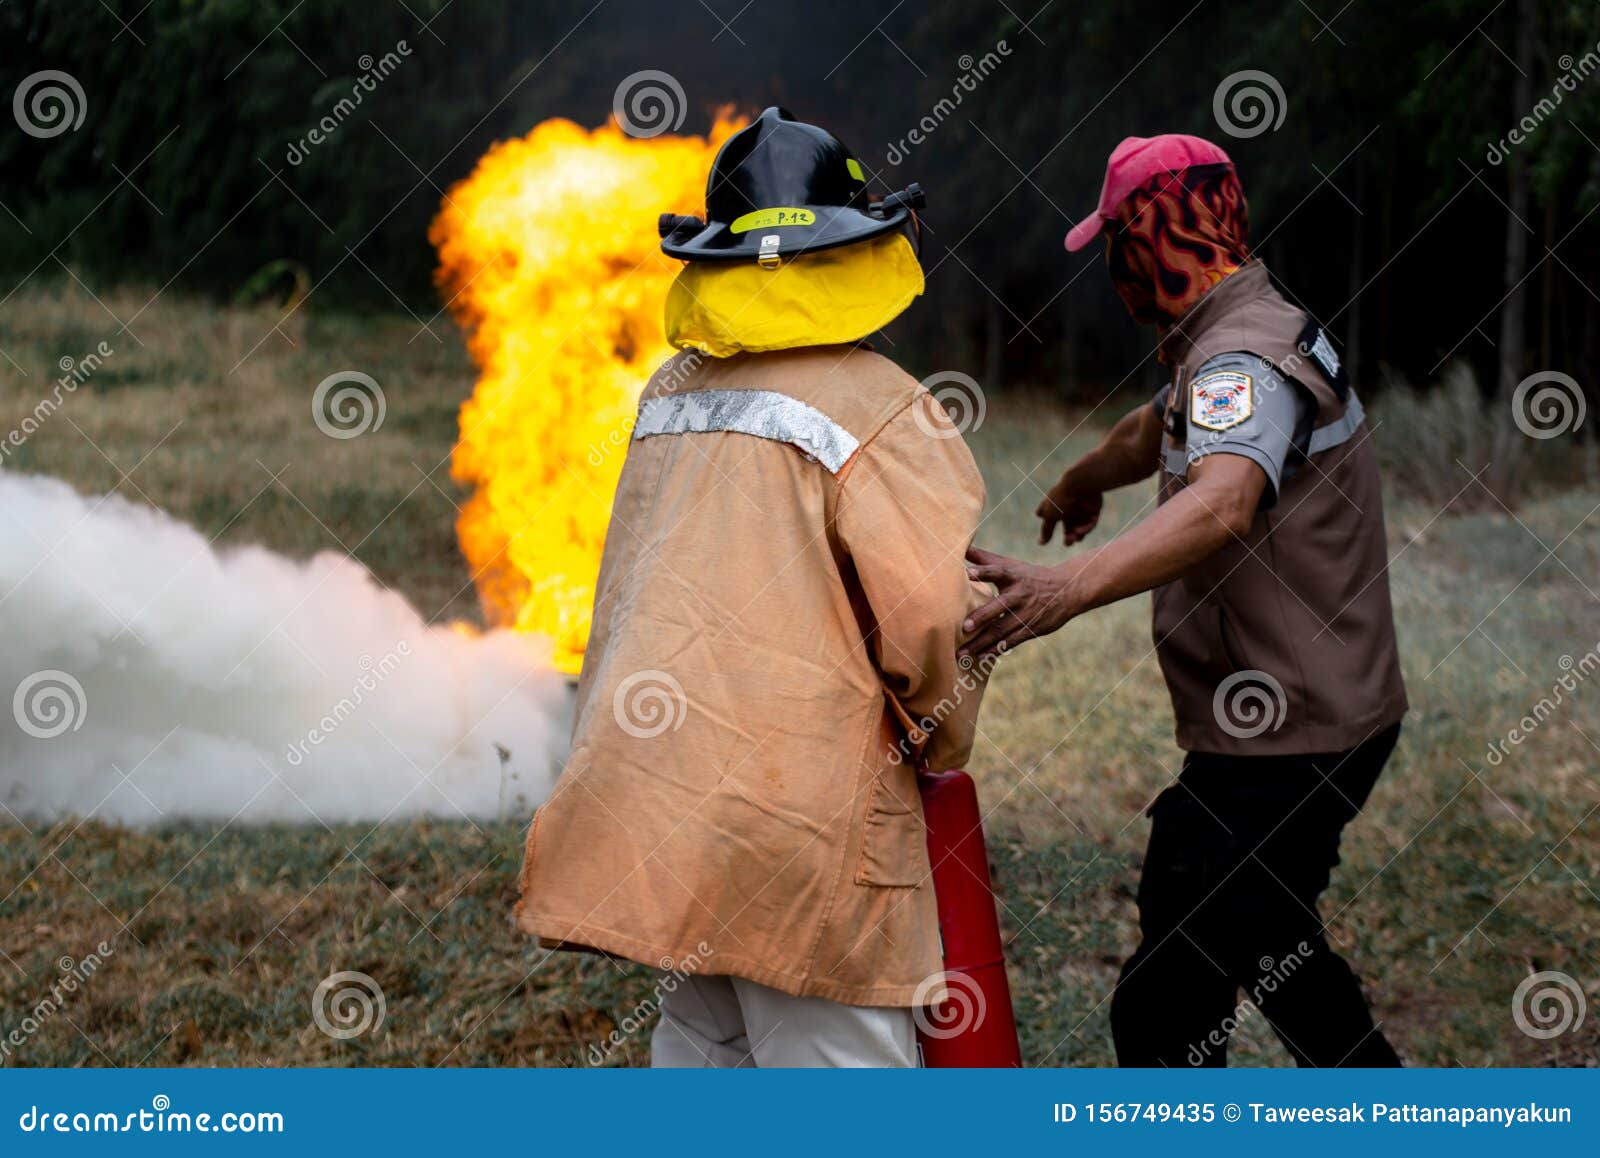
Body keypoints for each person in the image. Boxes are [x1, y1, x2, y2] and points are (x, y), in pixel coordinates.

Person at [515, 108, 991, 1067]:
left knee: (705, 1051)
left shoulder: (669, 393)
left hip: (668, 797)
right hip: (801, 822)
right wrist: (937, 730)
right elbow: (931, 618)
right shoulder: (886, 406)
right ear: (859, 252)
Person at [960, 134, 1409, 1067]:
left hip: (1296, 731)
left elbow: (1225, 496)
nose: (1114, 269)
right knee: (1252, 940)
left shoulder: (1240, 354)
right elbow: (1152, 426)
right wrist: (1080, 481)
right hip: (1300, 716)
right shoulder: (1231, 326)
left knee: (1171, 995)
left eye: (1118, 241)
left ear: (1154, 236)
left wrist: (1067, 587)